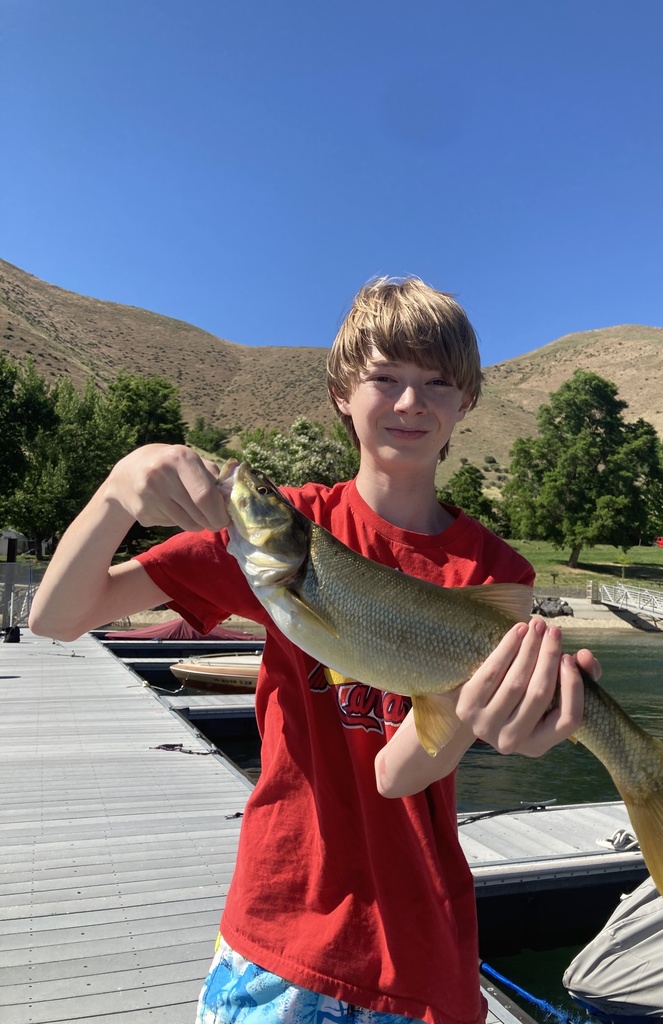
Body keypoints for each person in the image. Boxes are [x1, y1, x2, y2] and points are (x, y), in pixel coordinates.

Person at [30, 277, 597, 1024]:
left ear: (468, 403)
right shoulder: (283, 531)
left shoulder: (496, 575)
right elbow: (58, 616)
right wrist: (118, 490)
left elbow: (401, 773)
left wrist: (486, 716)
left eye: (436, 382)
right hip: (277, 939)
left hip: (423, 962)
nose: (409, 401)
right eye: (384, 378)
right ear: (340, 391)